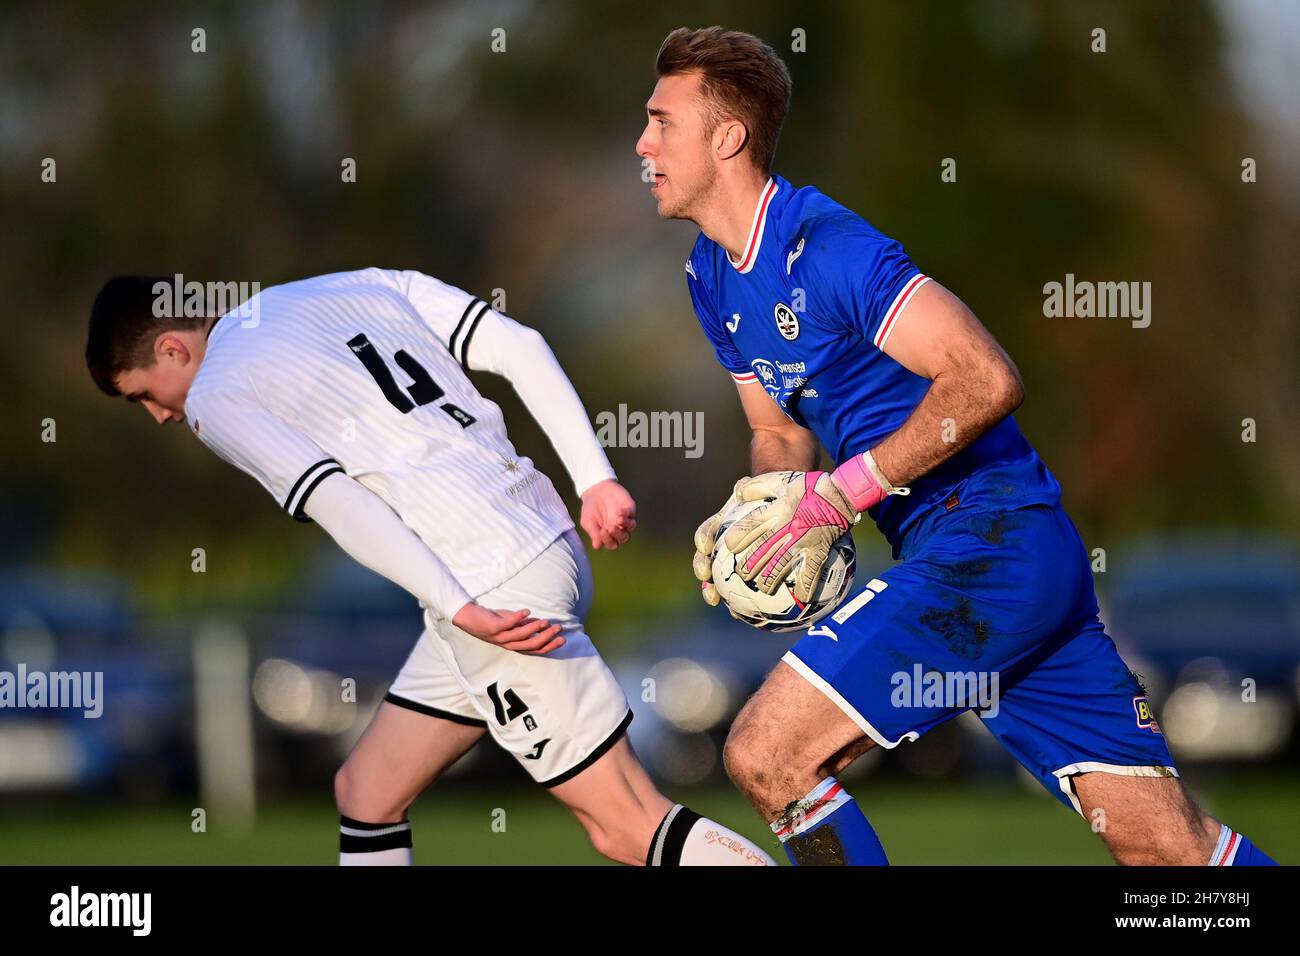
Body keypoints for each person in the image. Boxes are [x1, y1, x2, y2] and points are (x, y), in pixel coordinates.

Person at [635, 26, 1275, 867]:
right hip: (978, 555)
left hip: (991, 539)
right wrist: (779, 513)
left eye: (661, 121)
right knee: (1168, 850)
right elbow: (778, 429)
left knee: (766, 753)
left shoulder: (828, 249)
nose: (642, 144)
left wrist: (845, 493)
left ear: (727, 136)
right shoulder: (709, 275)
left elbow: (985, 378)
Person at [85, 267, 774, 867]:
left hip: (487, 587)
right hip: (540, 540)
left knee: (625, 826)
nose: (157, 416)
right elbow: (521, 346)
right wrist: (594, 478)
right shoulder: (356, 284)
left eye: (143, 394)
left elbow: (335, 497)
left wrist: (460, 604)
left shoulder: (214, 394)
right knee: (368, 792)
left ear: (173, 347)